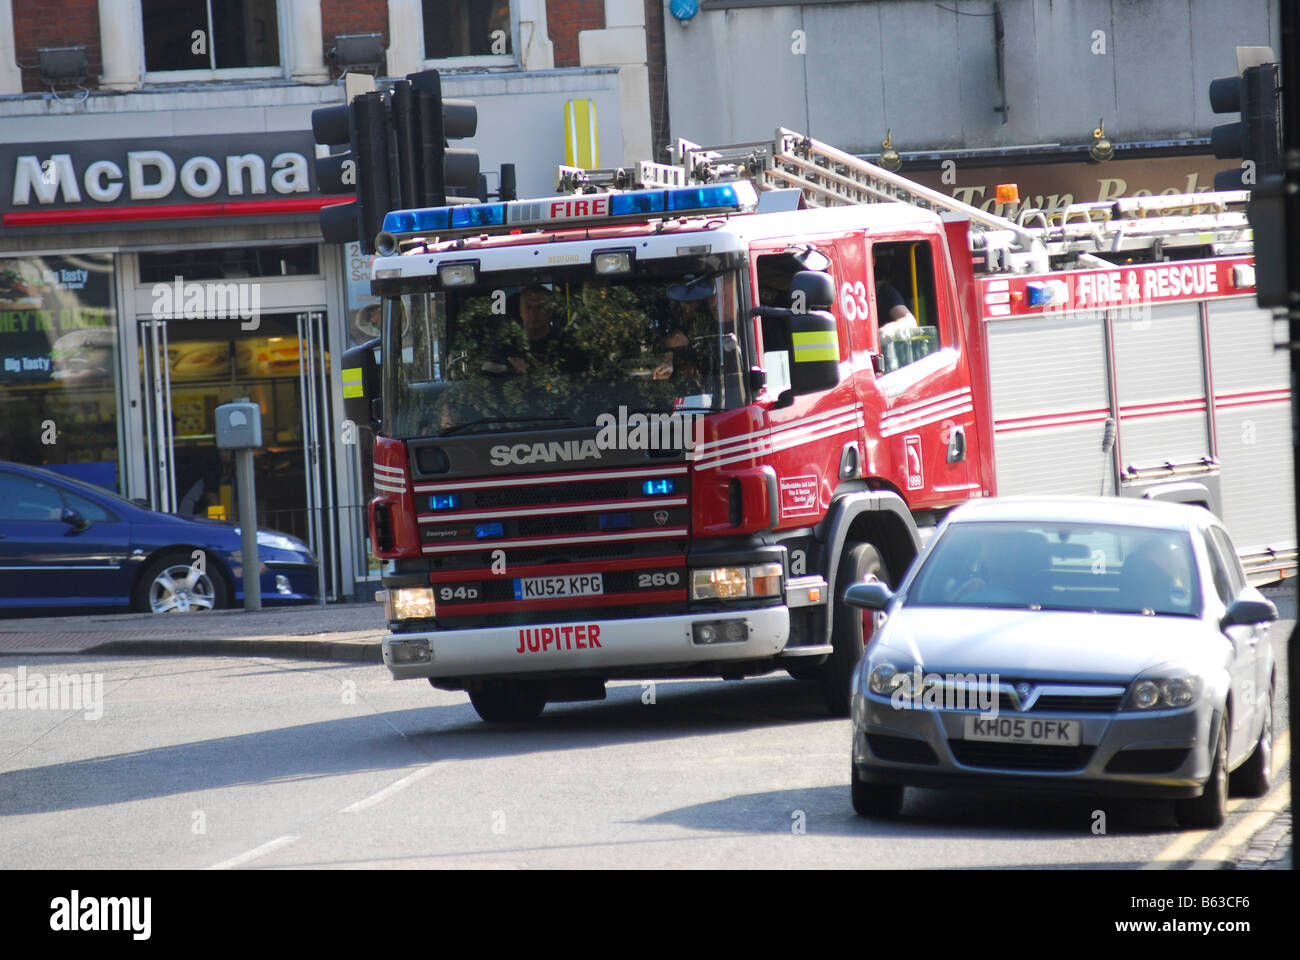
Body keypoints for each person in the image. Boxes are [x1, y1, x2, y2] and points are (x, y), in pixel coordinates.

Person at [503, 284, 585, 375]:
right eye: (528, 307)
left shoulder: (564, 347)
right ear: (521, 311)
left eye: (539, 307)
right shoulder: (508, 348)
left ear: (550, 311)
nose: (533, 313)